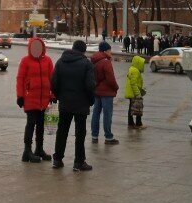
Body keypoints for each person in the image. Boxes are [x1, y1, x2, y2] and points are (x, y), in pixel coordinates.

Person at [49, 40, 95, 171]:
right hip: (81, 104)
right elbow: (90, 85)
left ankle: (57, 159)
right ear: (83, 51)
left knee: (62, 131)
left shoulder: (61, 62)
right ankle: (79, 162)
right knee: (80, 134)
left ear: (73, 48)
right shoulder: (86, 64)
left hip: (65, 103)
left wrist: (59, 96)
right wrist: (90, 100)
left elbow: (53, 82)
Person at [15, 36, 54, 163]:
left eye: (39, 47)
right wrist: (20, 96)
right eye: (34, 47)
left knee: (41, 126)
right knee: (31, 124)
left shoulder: (47, 61)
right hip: (30, 98)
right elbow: (20, 79)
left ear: (43, 48)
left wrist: (53, 95)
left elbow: (52, 79)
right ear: (30, 48)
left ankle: (39, 149)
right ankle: (27, 151)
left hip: (44, 99)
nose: (36, 49)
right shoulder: (25, 61)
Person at [90, 41, 119, 145]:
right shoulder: (106, 62)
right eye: (110, 50)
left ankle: (94, 136)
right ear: (106, 50)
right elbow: (110, 79)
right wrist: (116, 87)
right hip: (106, 92)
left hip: (97, 90)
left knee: (96, 114)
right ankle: (108, 137)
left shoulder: (94, 60)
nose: (111, 52)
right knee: (107, 114)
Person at [124, 55, 146, 129]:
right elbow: (133, 83)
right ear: (138, 63)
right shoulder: (135, 71)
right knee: (138, 107)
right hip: (134, 93)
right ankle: (138, 124)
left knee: (131, 107)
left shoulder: (133, 69)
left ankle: (131, 123)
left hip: (131, 92)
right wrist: (138, 94)